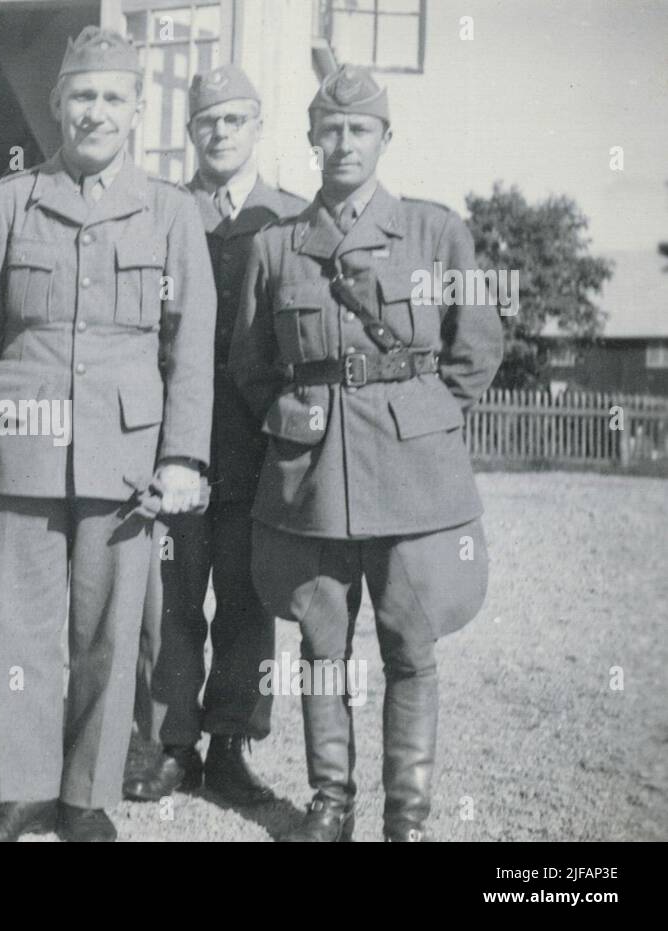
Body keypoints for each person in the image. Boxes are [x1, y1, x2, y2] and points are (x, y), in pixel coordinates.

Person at [0, 26, 216, 842]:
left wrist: (180, 456)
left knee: (107, 627)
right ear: (58, 104)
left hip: (125, 452)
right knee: (21, 625)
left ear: (137, 112)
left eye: (112, 98)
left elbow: (189, 345)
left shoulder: (170, 213)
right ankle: (22, 788)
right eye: (82, 96)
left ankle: (85, 793)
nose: (95, 112)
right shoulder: (8, 201)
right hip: (23, 437)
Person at [232, 65, 503, 841]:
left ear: (386, 138)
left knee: (409, 640)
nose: (344, 142)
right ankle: (330, 801)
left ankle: (406, 815)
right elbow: (251, 365)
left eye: (361, 129)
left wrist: (424, 417)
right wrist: (296, 422)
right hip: (312, 476)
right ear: (312, 139)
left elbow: (476, 347)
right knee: (321, 642)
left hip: (414, 475)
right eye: (331, 129)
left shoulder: (436, 231)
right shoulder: (277, 245)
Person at [127, 64, 348, 807]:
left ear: (257, 126)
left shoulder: (288, 219)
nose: (218, 133)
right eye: (205, 122)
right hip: (170, 439)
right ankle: (169, 743)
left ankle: (230, 743)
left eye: (233, 119)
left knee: (248, 599)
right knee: (169, 596)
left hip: (255, 442)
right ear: (189, 132)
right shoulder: (160, 210)